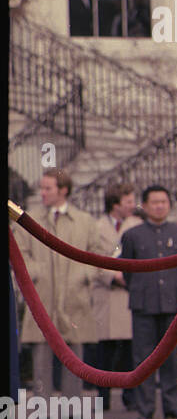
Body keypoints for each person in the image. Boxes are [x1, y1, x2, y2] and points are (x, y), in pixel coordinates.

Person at [15, 169, 105, 399]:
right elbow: (19, 253)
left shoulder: (85, 221)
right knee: (41, 360)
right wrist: (36, 273)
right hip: (42, 299)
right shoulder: (29, 220)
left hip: (75, 299)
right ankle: (43, 411)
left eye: (48, 188)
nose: (42, 193)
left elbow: (98, 253)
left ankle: (73, 410)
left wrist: (84, 274)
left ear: (63, 190)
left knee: (74, 360)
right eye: (42, 188)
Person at [119, 186, 177, 419]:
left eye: (164, 201)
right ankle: (145, 408)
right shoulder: (132, 235)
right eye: (154, 202)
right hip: (143, 305)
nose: (160, 206)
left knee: (173, 359)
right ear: (146, 206)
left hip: (173, 305)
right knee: (143, 359)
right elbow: (127, 269)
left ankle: (173, 408)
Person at [90, 182, 140, 411]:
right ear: (115, 204)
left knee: (131, 349)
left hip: (130, 294)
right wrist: (114, 277)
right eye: (128, 201)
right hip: (107, 294)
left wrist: (129, 277)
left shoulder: (137, 224)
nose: (133, 205)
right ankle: (103, 398)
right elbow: (91, 257)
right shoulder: (96, 226)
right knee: (105, 350)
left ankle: (131, 398)